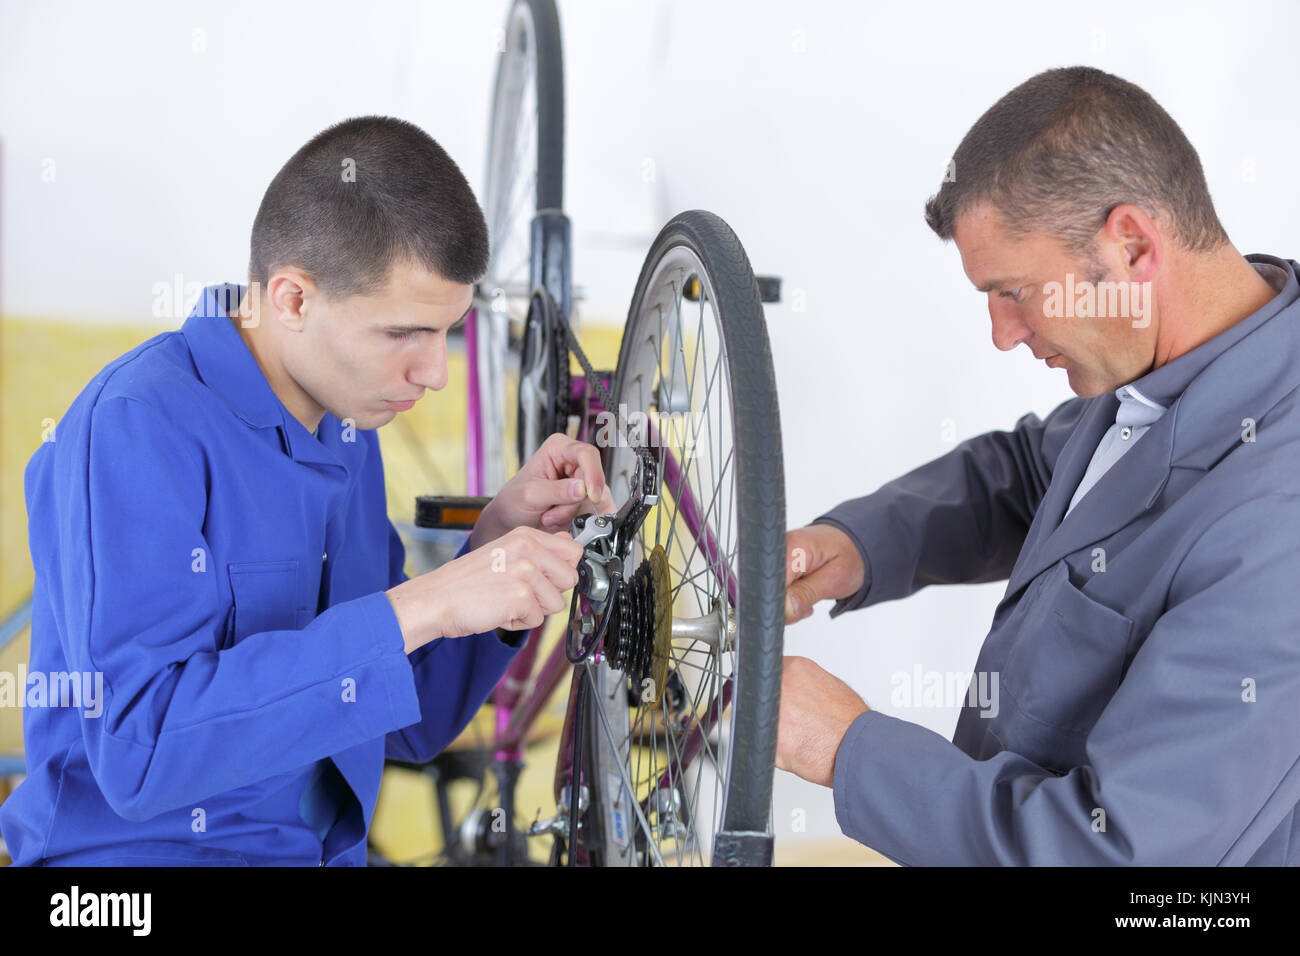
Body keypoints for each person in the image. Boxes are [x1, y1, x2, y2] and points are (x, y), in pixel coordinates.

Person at [0, 116, 613, 866]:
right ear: (292, 299)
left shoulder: (347, 430)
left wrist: (499, 538)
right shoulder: (136, 426)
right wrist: (431, 601)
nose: (435, 373)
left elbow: (398, 719)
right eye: (402, 334)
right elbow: (143, 749)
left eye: (446, 333)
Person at [776, 66, 1300, 865]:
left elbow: (1117, 859)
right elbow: (1032, 473)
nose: (1002, 333)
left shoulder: (1274, 521)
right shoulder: (1181, 365)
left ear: (1130, 244)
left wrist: (849, 750)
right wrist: (855, 548)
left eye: (1015, 291)